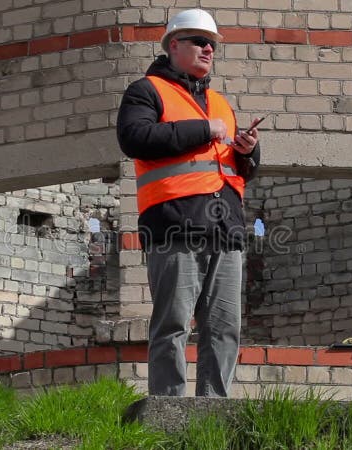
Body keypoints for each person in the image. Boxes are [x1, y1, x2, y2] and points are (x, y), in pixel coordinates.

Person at [116, 8, 261, 397]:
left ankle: (213, 410)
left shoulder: (220, 104)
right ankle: (169, 409)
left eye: (212, 43)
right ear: (174, 45)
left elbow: (235, 170)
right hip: (175, 223)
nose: (208, 48)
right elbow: (135, 139)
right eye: (199, 41)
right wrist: (203, 130)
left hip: (225, 230)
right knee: (173, 324)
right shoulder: (146, 91)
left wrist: (248, 152)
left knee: (224, 327)